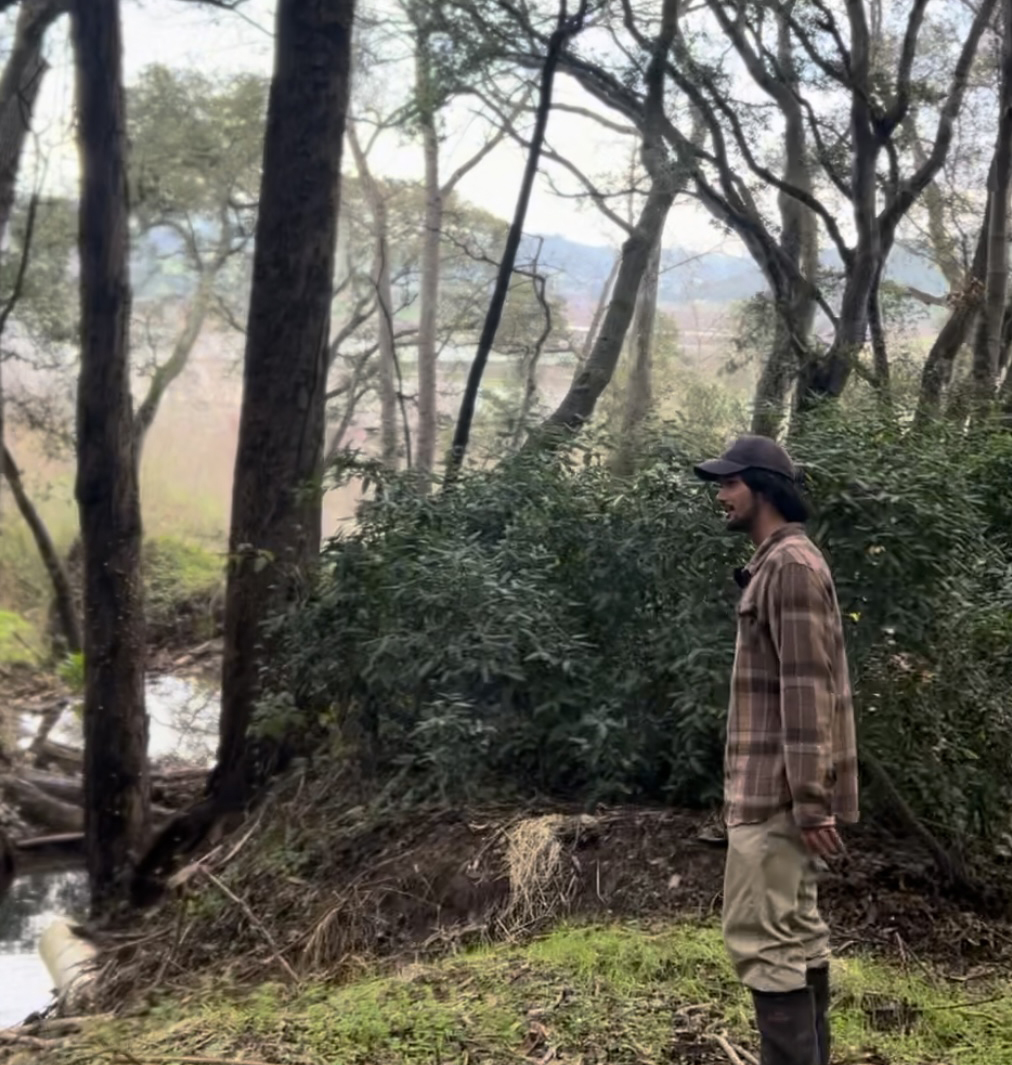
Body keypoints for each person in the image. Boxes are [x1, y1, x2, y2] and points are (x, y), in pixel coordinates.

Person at [694, 434, 859, 1065]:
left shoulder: (789, 567)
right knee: (797, 940)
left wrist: (812, 803)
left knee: (766, 945)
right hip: (785, 797)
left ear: (762, 488)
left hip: (776, 800)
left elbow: (806, 689)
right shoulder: (783, 562)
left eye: (730, 483)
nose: (721, 494)